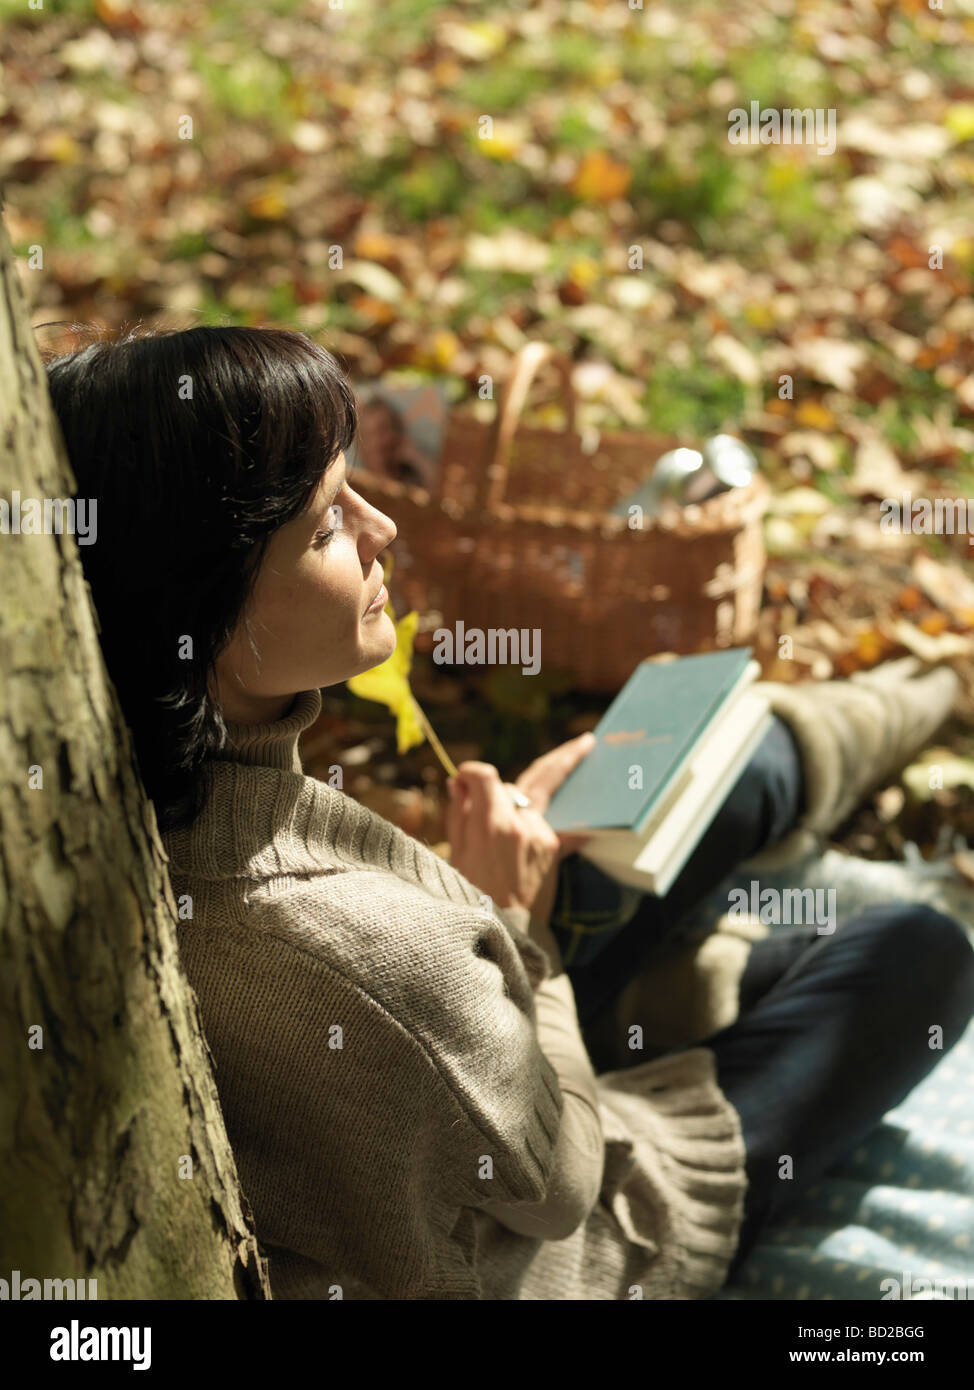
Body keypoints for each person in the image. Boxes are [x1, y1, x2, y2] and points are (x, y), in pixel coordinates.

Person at [44, 323, 974, 1300]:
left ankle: (913, 703)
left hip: (455, 1050)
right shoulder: (366, 958)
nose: (382, 530)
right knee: (919, 948)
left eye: (349, 481)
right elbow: (562, 1178)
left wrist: (484, 900)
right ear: (197, 613)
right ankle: (925, 699)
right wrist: (518, 925)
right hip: (608, 1227)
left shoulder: (133, 791)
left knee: (695, 780)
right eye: (325, 526)